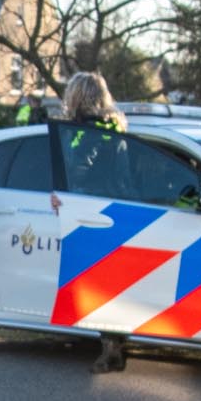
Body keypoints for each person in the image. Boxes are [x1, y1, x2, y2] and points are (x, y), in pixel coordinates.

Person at [58, 71, 131, 375]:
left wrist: (63, 192)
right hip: (118, 210)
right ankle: (113, 343)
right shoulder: (116, 128)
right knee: (111, 284)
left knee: (94, 283)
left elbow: (78, 171)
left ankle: (108, 348)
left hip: (90, 212)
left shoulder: (83, 132)